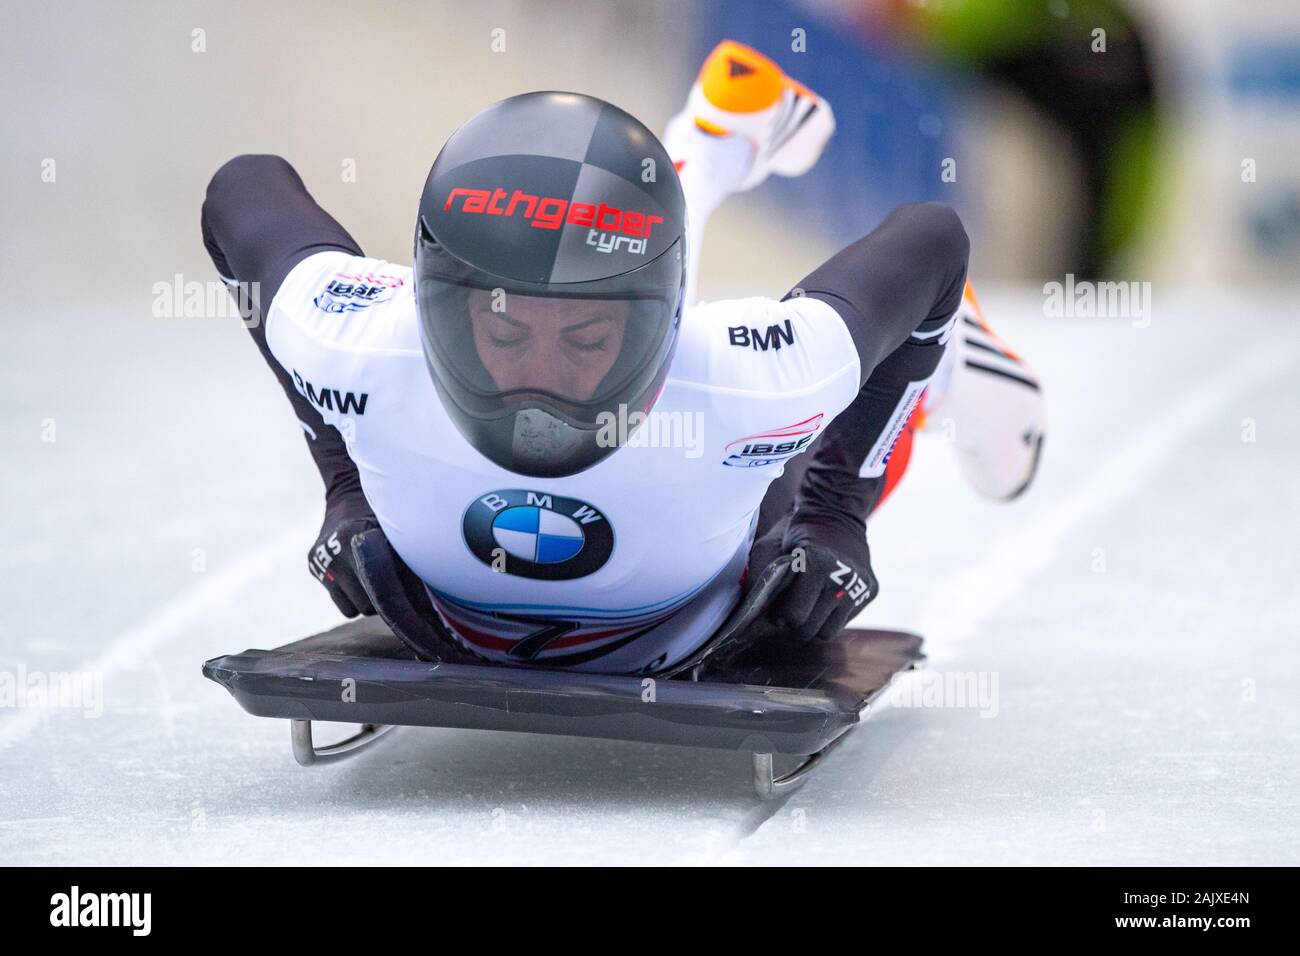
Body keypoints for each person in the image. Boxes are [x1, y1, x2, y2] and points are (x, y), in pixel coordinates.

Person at [201, 40, 1045, 674]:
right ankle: (708, 140)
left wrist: (831, 516)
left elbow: (934, 250)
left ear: (662, 328)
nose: (540, 384)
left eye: (584, 342)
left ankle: (952, 351)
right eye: (503, 333)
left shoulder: (751, 378)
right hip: (683, 454)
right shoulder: (356, 343)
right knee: (617, 298)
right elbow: (237, 188)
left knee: (931, 421)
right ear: (434, 311)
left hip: (711, 501)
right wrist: (345, 489)